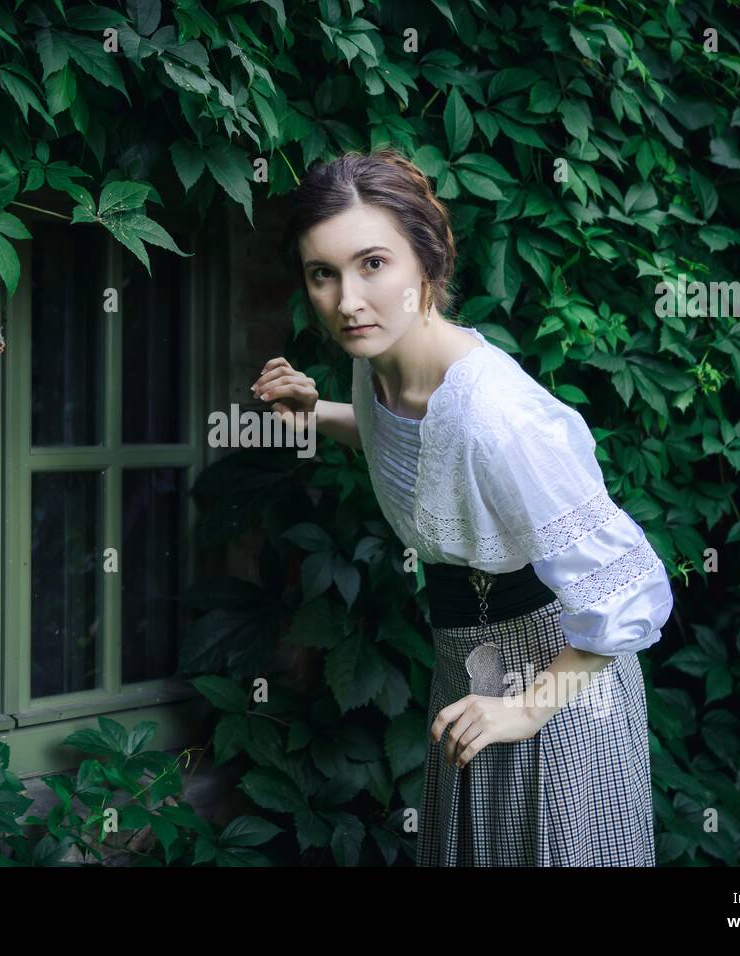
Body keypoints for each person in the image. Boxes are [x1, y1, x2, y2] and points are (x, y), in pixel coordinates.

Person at [255, 147, 675, 866]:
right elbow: (427, 451)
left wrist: (526, 706)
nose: (348, 300)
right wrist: (320, 411)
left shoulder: (497, 414)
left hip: (559, 689)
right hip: (467, 677)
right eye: (323, 273)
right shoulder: (377, 366)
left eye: (373, 264)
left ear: (428, 259)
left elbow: (629, 586)